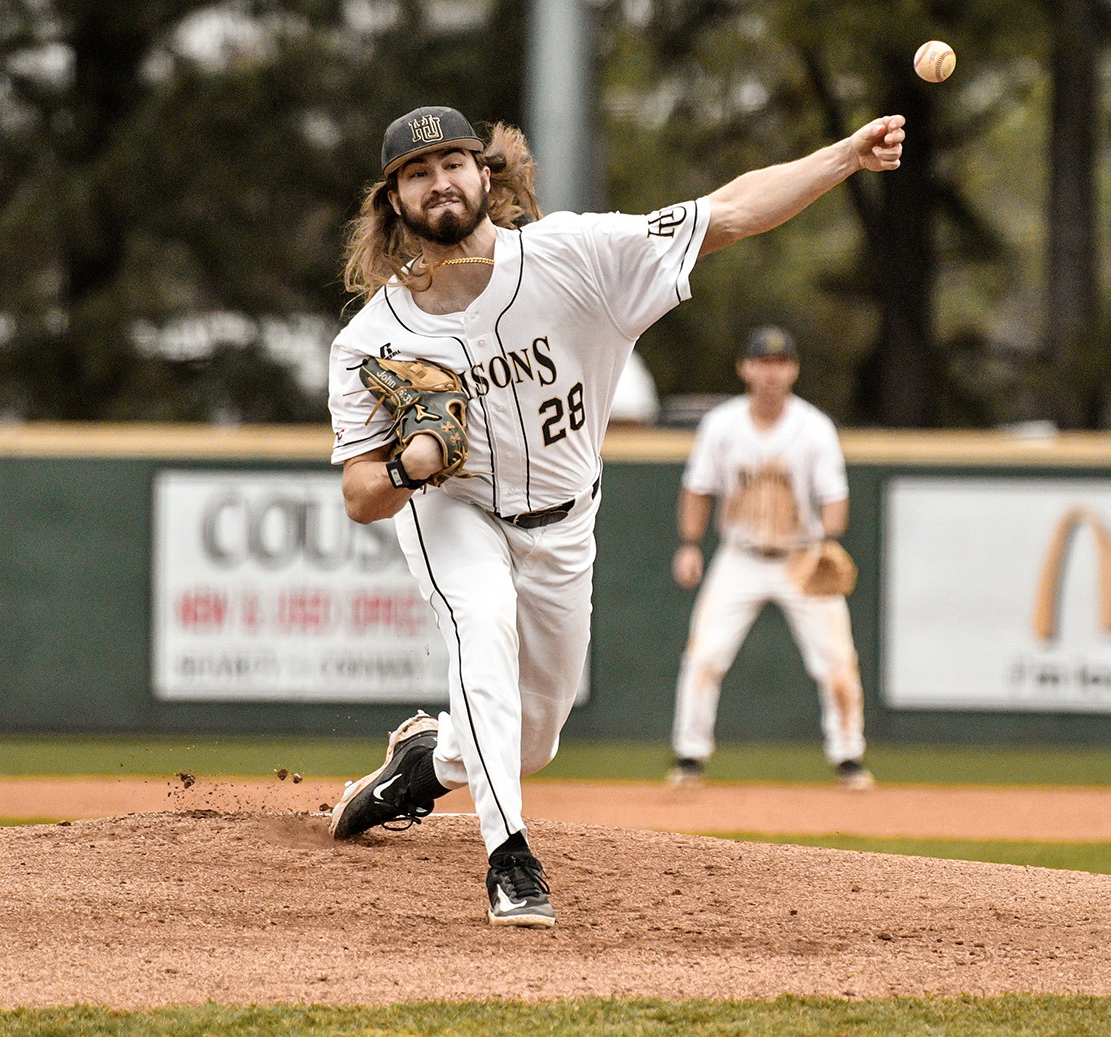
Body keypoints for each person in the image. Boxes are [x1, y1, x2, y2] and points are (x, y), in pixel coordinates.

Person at [325, 104, 906, 929]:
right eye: (416, 174)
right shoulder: (374, 337)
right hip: (454, 511)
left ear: (484, 175)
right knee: (481, 631)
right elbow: (359, 497)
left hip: (564, 524)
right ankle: (509, 858)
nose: (438, 182)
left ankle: (425, 764)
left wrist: (845, 157)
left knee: (536, 736)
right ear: (393, 202)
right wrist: (407, 465)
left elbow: (731, 212)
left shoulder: (577, 257)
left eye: (452, 163)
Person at [666, 326, 872, 791]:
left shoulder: (814, 427)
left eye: (780, 362)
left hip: (801, 558)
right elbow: (698, 488)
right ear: (745, 368)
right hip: (739, 556)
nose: (771, 372)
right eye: (762, 362)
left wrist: (829, 541)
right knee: (705, 656)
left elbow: (834, 497)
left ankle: (849, 757)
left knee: (837, 660)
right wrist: (690, 544)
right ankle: (689, 756)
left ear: (793, 369)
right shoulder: (722, 424)